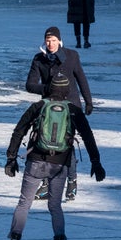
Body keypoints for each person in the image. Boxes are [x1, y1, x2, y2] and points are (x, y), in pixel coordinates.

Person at [2, 73, 104, 240]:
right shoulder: (73, 110)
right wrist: (96, 162)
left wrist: (11, 158)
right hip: (61, 164)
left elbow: (19, 130)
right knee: (55, 206)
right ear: (67, 91)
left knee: (24, 203)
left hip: (36, 162)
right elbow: (88, 137)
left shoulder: (38, 107)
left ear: (49, 89)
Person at [25, 26, 93, 201]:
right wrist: (48, 88)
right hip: (49, 110)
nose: (50, 44)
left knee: (66, 145)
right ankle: (47, 184)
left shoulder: (71, 56)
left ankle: (71, 182)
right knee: (47, 144)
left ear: (60, 41)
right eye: (48, 40)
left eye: (54, 40)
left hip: (70, 108)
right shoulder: (39, 59)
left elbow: (81, 78)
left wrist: (88, 100)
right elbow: (30, 85)